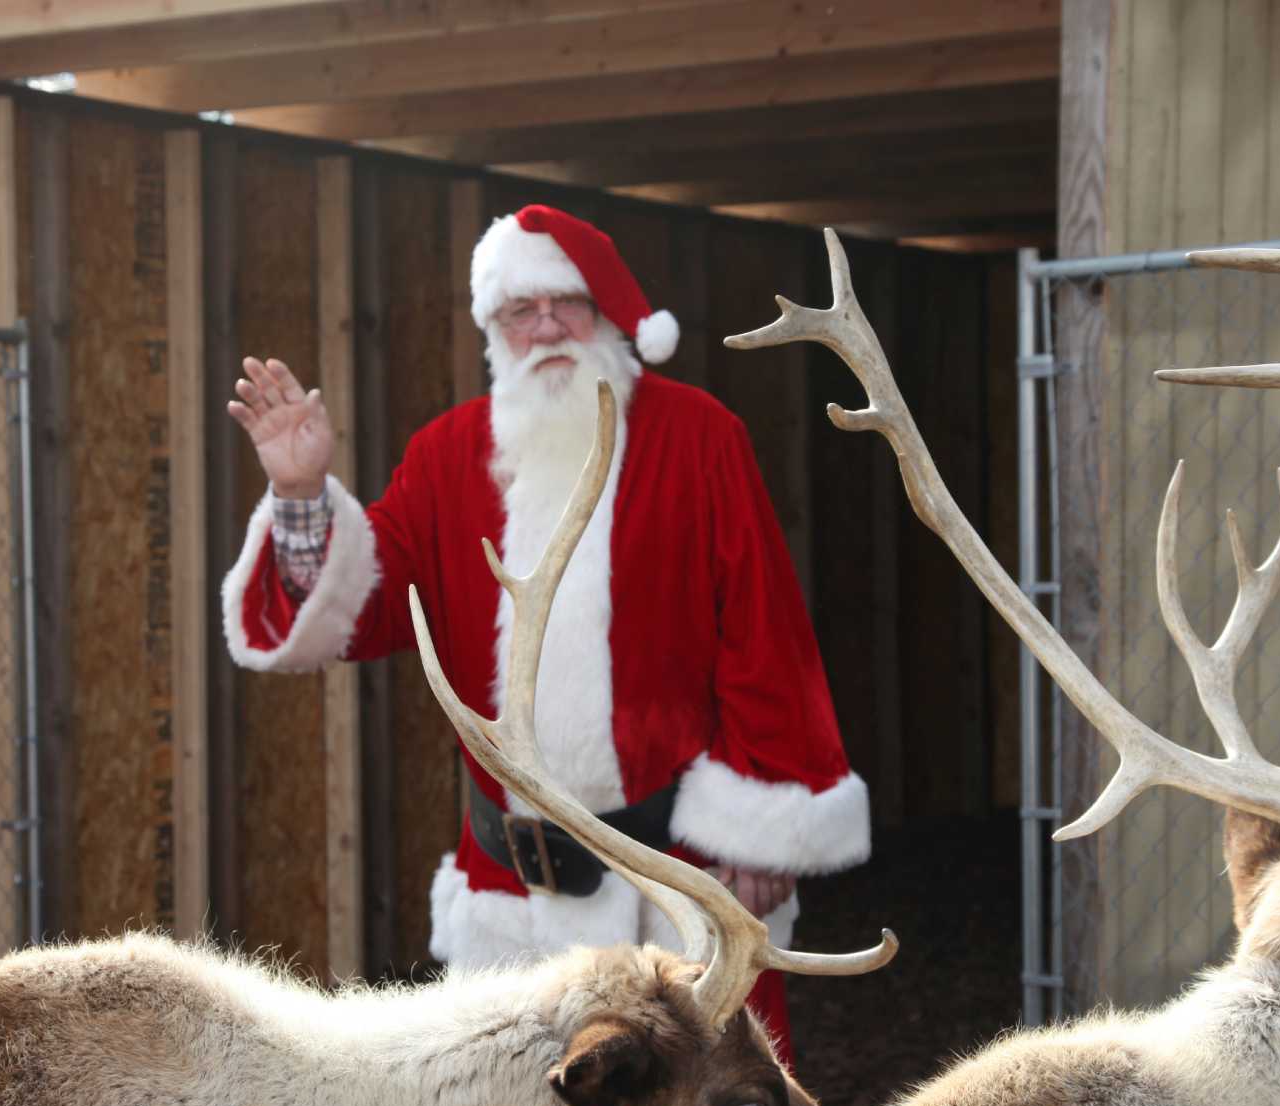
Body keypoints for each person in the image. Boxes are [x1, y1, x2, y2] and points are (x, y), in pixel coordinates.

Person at [219, 204, 868, 1059]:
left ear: (609, 314)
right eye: (520, 312)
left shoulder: (698, 437)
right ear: (495, 331)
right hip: (509, 893)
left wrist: (759, 824)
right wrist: (302, 494)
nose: (548, 327)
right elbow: (367, 607)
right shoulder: (448, 455)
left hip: (677, 878)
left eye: (568, 303)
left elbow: (764, 627)